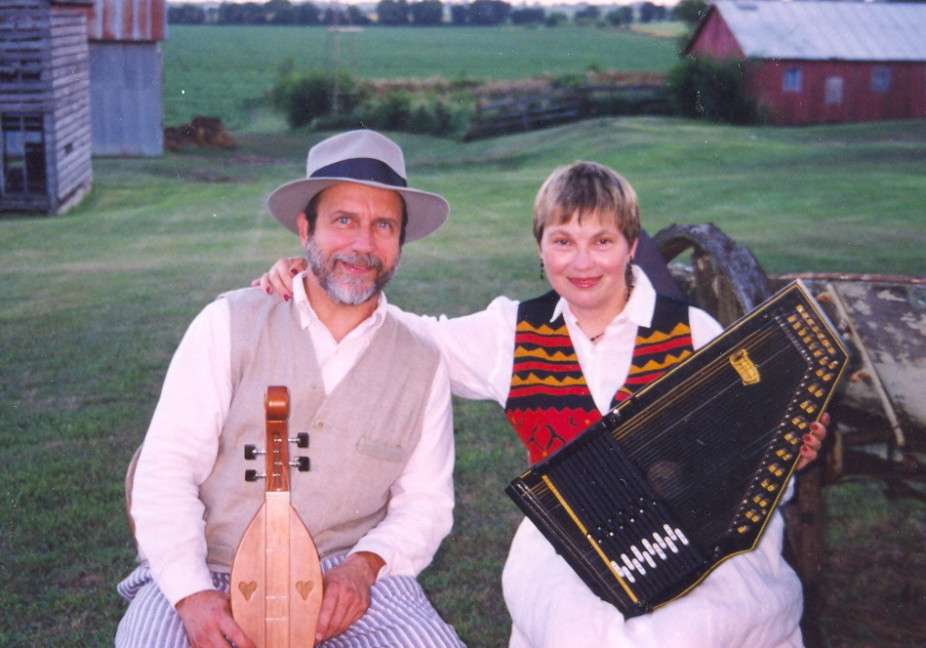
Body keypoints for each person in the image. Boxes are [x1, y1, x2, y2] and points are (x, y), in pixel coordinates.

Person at [256, 158, 828, 647]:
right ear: (541, 248)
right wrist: (317, 282)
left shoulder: (692, 332)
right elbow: (406, 335)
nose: (583, 264)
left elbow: (744, 452)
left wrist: (789, 451)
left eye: (602, 242)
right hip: (567, 540)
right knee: (579, 631)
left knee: (689, 630)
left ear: (631, 246)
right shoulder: (513, 332)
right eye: (563, 242)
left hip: (693, 536)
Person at [116, 130, 465, 648]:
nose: (362, 244)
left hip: (348, 580)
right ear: (306, 228)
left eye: (383, 225)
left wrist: (365, 567)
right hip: (215, 567)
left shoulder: (422, 360)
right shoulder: (228, 323)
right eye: (343, 220)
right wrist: (191, 597)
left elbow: (426, 503)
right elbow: (165, 469)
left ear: (400, 241)